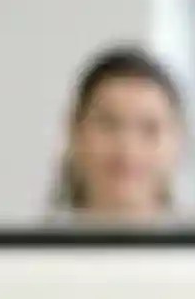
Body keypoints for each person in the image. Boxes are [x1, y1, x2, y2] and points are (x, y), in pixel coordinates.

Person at [53, 46, 186, 221]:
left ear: (178, 140)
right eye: (109, 124)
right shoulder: (28, 248)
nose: (127, 147)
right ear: (75, 131)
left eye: (149, 129)